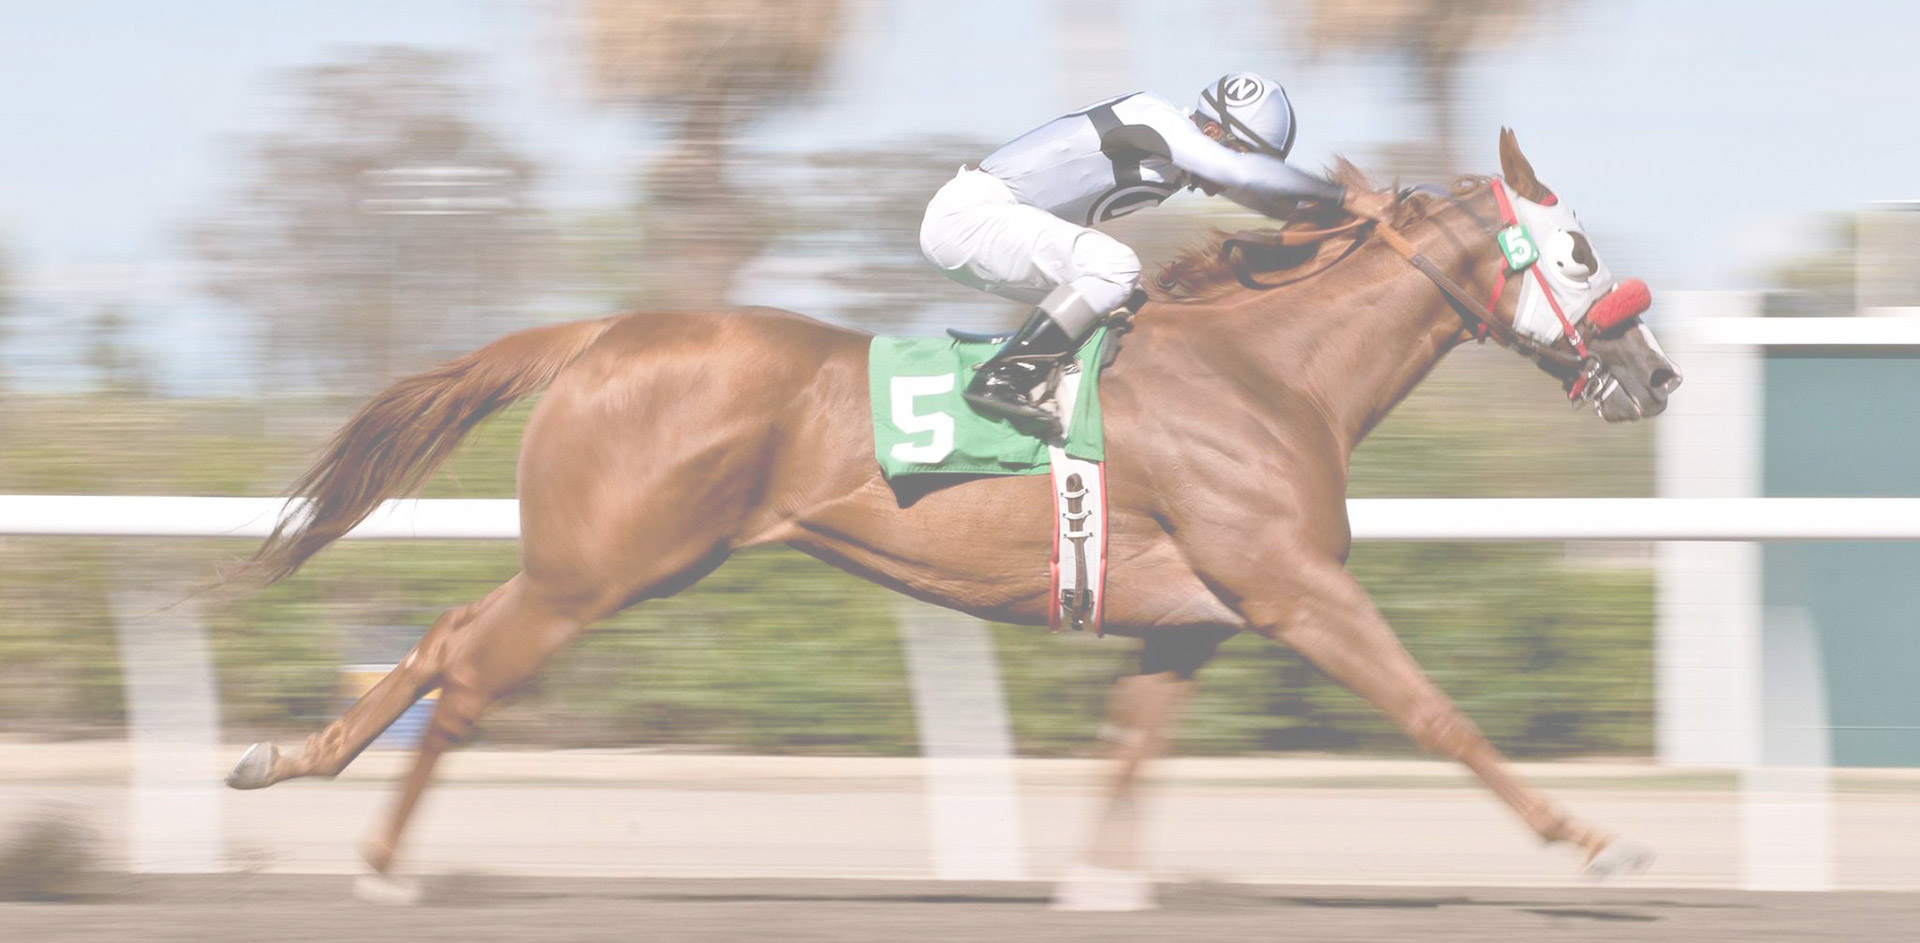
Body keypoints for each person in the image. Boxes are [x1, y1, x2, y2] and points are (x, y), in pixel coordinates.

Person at [920, 72, 1391, 435]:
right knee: (1115, 267)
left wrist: (1353, 223)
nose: (1218, 188)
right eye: (1242, 155)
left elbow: (1265, 198)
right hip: (970, 217)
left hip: (986, 224)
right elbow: (1240, 175)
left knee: (1128, 303)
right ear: (1210, 129)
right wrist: (1348, 198)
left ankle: (1067, 393)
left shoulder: (1182, 158)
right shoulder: (1153, 117)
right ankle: (1005, 380)